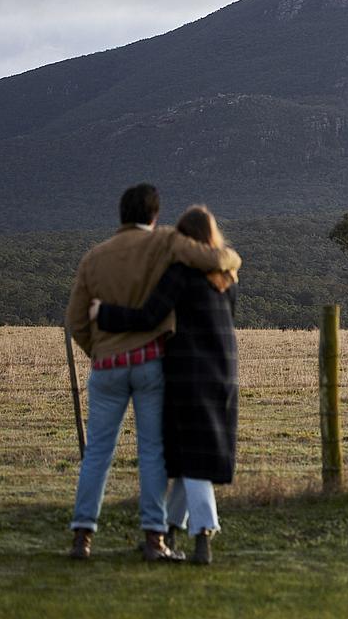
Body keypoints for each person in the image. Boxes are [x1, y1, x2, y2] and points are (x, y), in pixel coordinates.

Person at [65, 184, 240, 562]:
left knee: (97, 453)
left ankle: (82, 535)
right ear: (155, 216)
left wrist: (98, 350)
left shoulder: (94, 257)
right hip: (149, 363)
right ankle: (154, 538)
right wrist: (232, 260)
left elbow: (76, 320)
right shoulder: (166, 242)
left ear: (120, 215)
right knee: (152, 453)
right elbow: (215, 257)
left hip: (107, 366)